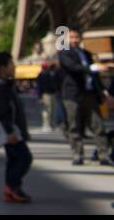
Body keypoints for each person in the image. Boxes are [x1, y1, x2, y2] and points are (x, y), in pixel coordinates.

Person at [57, 30, 109, 165]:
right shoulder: (64, 53)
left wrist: (102, 91)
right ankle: (77, 155)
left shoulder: (86, 53)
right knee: (74, 126)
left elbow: (95, 75)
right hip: (73, 94)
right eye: (71, 37)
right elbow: (73, 67)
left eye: (76, 37)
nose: (74, 40)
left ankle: (103, 154)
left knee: (98, 125)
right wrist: (92, 67)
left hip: (89, 93)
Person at [0, 51, 32, 203]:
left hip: (10, 129)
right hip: (9, 130)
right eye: (11, 64)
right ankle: (11, 186)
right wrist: (10, 131)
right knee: (25, 158)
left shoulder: (4, 85)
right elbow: (3, 112)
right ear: (2, 68)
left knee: (13, 159)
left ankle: (12, 190)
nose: (14, 66)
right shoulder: (0, 88)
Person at [36, 59, 58, 133]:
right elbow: (39, 87)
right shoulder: (41, 75)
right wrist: (40, 97)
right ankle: (46, 125)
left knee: (53, 110)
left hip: (52, 93)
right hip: (45, 94)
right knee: (46, 110)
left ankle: (52, 125)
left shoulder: (50, 74)